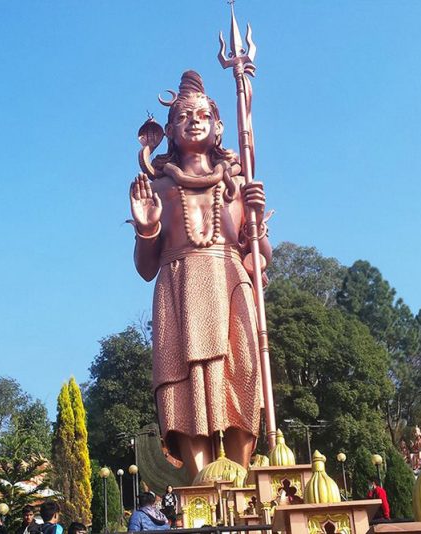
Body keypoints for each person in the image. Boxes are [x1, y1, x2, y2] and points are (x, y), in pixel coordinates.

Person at [130, 70, 271, 476]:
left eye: (203, 114)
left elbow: (260, 254)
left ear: (219, 125)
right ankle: (200, 486)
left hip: (230, 282)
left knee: (242, 373)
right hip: (179, 282)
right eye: (184, 116)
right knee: (186, 383)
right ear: (170, 131)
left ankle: (241, 480)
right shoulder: (157, 187)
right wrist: (146, 228)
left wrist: (257, 226)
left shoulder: (239, 184)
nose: (194, 120)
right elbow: (144, 267)